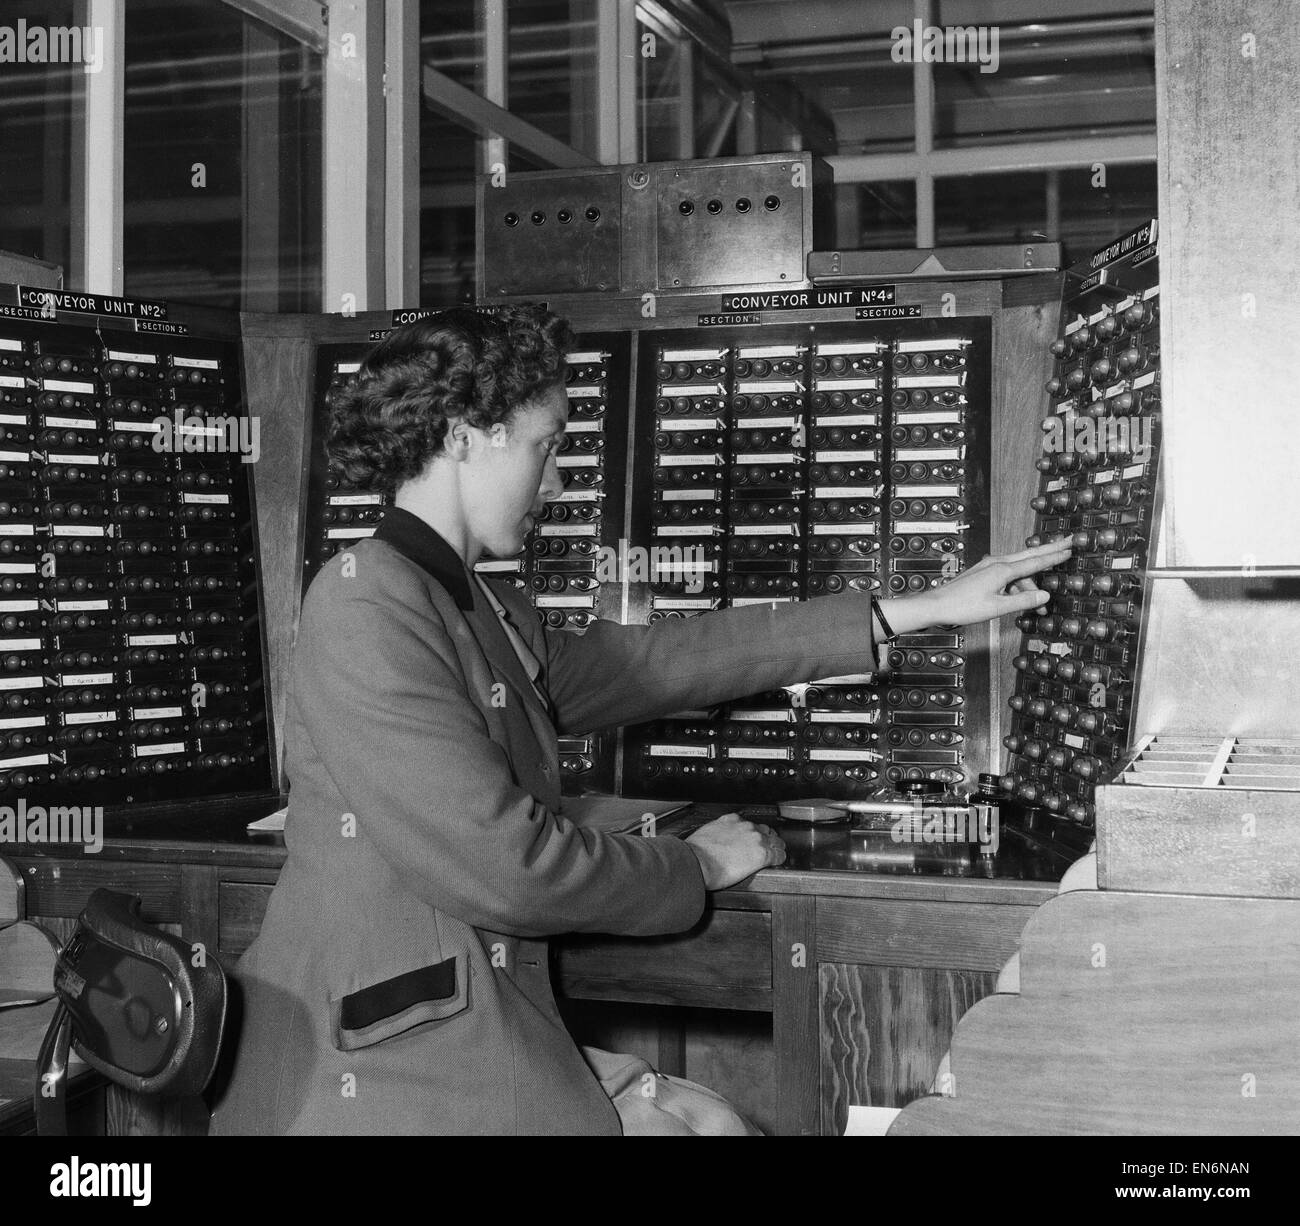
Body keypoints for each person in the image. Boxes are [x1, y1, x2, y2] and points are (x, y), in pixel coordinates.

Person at [210, 306, 1070, 1136]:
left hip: (458, 1009)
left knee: (714, 1122)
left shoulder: (474, 601)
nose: (558, 478)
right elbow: (510, 867)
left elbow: (657, 663)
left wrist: (915, 610)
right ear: (464, 437)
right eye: (546, 446)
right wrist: (689, 863)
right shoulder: (366, 603)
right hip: (380, 1051)